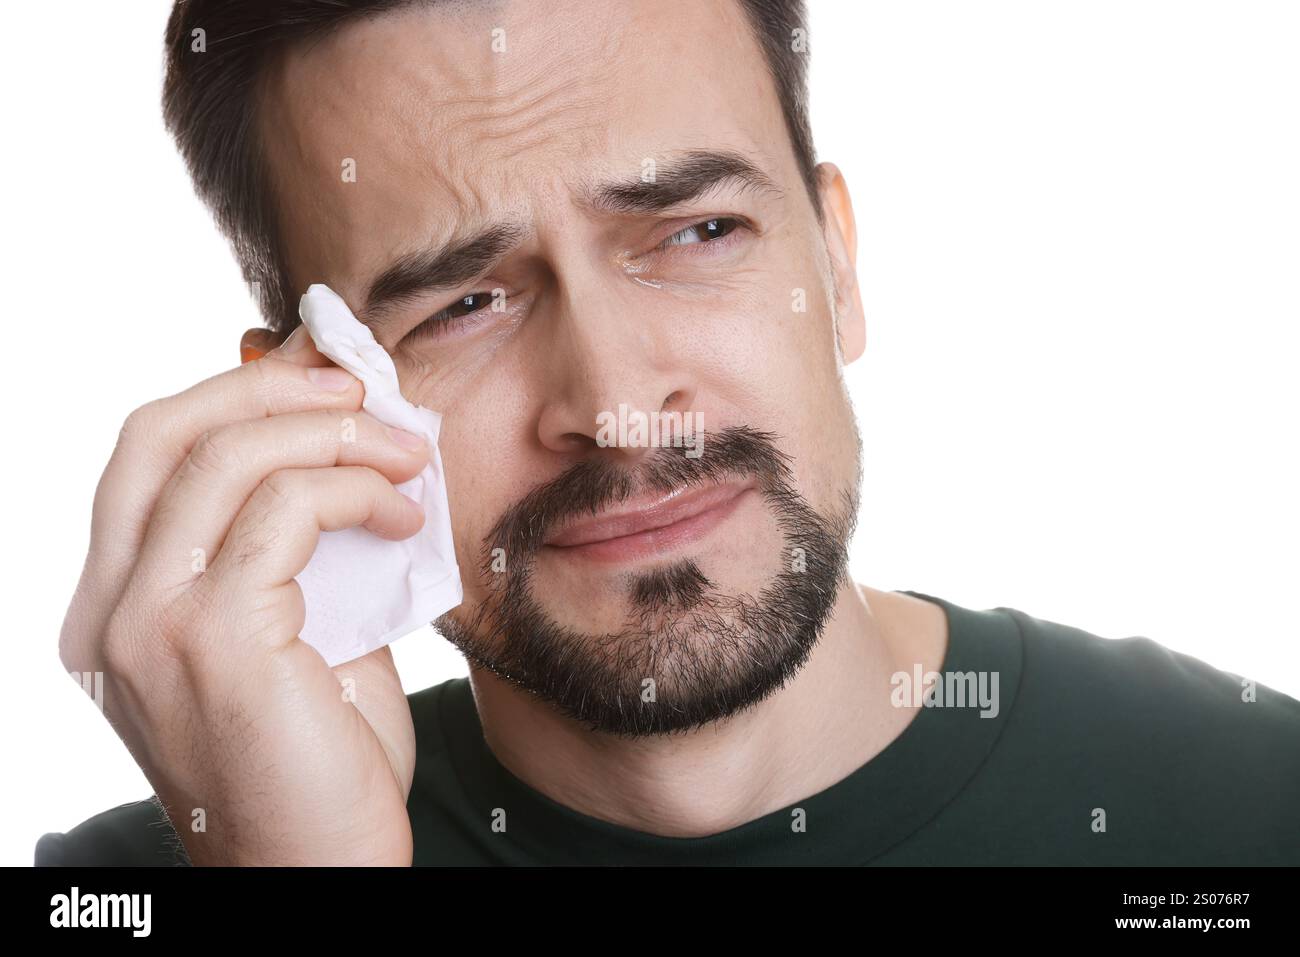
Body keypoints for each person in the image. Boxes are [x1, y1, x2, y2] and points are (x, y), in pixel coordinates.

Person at [38, 0, 1299, 866]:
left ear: (838, 267)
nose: (614, 403)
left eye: (696, 233)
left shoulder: (1253, 809)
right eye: (463, 303)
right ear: (304, 406)